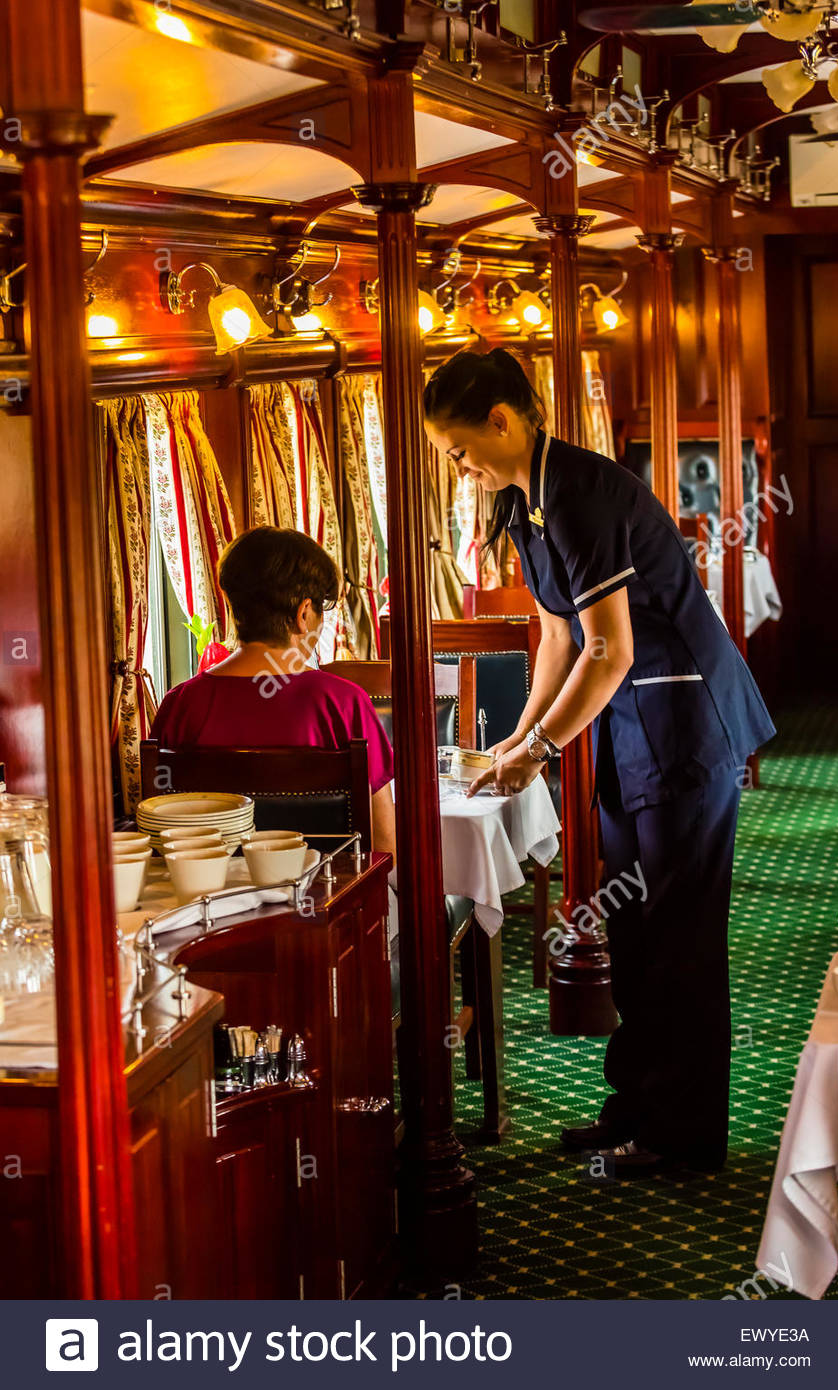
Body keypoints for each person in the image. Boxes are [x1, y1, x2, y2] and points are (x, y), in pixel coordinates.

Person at [423, 348, 776, 1176]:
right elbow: (556, 634)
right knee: (632, 925)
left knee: (679, 936)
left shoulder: (580, 495)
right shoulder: (522, 501)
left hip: (684, 719)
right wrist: (518, 737)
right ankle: (637, 1105)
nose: (459, 467)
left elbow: (609, 649)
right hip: (627, 724)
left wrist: (544, 747)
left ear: (502, 422)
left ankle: (680, 1136)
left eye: (458, 449)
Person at [149, 526, 396, 860]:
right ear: (304, 614)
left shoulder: (179, 705)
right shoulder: (345, 702)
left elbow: (162, 835)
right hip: (329, 899)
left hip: (210, 902)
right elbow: (383, 847)